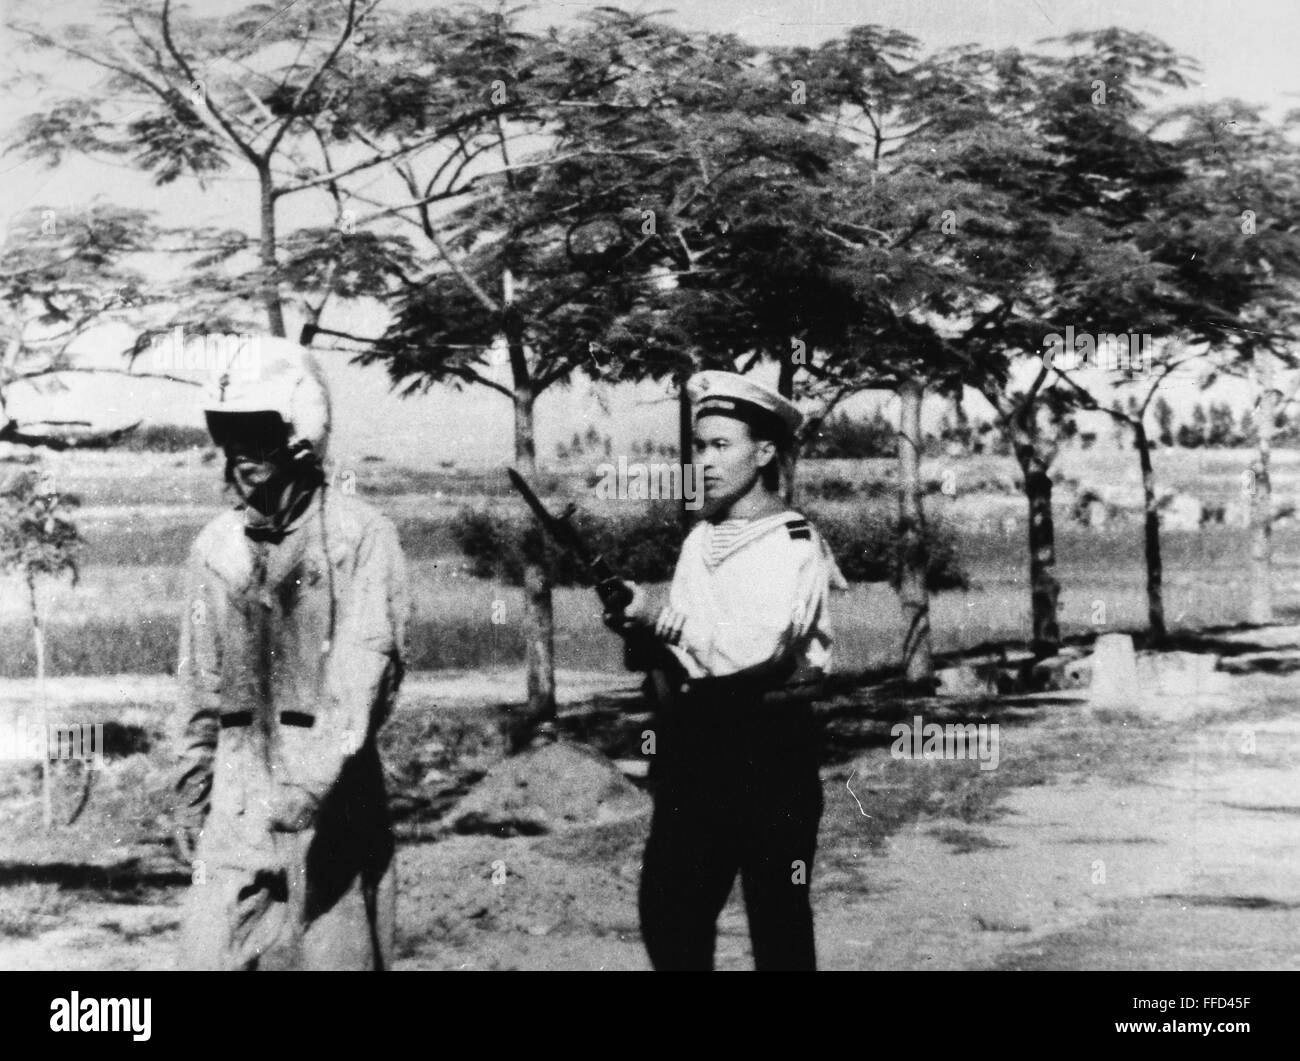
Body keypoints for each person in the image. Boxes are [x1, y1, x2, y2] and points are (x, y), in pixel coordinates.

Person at [174, 336, 410, 970]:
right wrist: (191, 791)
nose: (243, 455)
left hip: (331, 803)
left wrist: (305, 791)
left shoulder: (360, 538)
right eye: (231, 436)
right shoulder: (215, 549)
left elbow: (364, 674)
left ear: (301, 429)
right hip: (237, 801)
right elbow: (199, 683)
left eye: (258, 432)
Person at [610, 369, 837, 971]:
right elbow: (682, 649)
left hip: (769, 749)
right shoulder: (701, 540)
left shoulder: (792, 541)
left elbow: (754, 647)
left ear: (764, 452)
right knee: (670, 913)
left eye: (721, 446)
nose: (705, 460)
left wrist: (662, 616)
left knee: (777, 921)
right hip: (697, 746)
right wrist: (640, 626)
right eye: (699, 446)